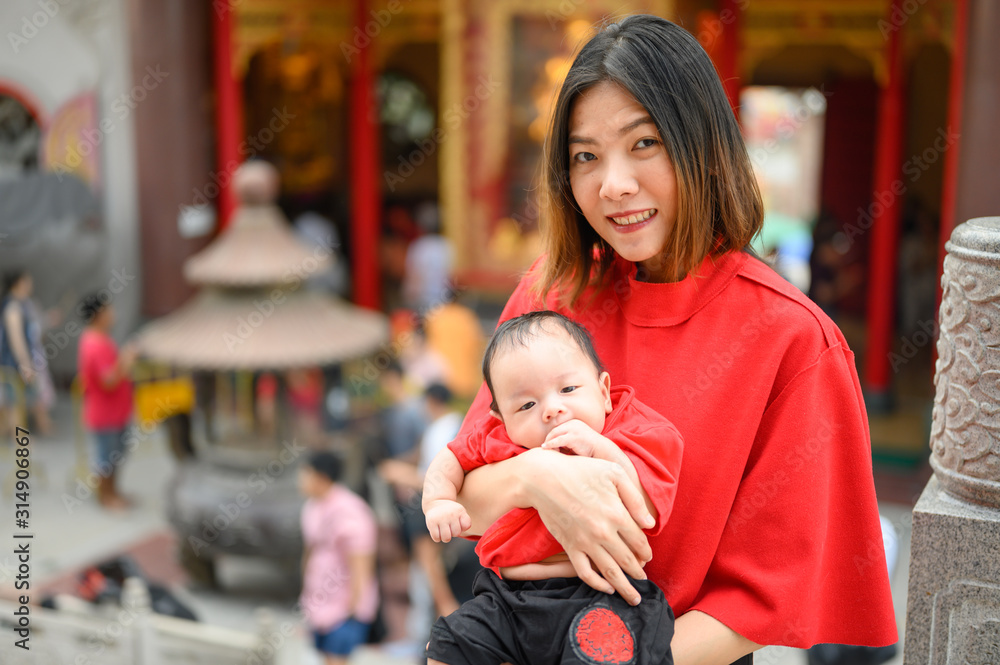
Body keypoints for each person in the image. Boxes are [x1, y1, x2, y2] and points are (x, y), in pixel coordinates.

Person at [450, 15, 897, 665]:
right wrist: (539, 477)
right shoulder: (553, 296)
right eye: (585, 156)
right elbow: (462, 494)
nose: (614, 185)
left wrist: (616, 659)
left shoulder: (794, 341)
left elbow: (760, 601)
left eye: (645, 144)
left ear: (703, 144)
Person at [423, 311, 684, 665]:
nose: (552, 409)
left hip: (601, 594)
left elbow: (646, 511)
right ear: (500, 419)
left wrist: (600, 449)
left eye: (568, 389)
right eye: (527, 405)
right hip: (506, 599)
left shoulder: (630, 431)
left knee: (606, 652)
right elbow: (449, 459)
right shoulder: (496, 439)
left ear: (604, 392)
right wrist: (438, 500)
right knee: (448, 645)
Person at [378, 382, 463, 646]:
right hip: (432, 505)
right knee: (425, 574)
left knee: (430, 567)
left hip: (439, 505)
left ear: (432, 402)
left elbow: (438, 475)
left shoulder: (446, 427)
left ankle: (445, 606)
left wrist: (401, 473)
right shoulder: (442, 426)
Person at [298, 451, 379, 665]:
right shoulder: (312, 506)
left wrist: (352, 612)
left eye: (306, 474)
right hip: (319, 605)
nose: (300, 480)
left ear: (321, 477)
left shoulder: (350, 511)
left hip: (342, 609)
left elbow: (361, 564)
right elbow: (310, 551)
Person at [77, 295, 136, 511]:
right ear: (99, 315)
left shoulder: (98, 339)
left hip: (114, 412)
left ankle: (114, 493)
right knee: (106, 458)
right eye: (109, 310)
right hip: (105, 414)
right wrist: (126, 359)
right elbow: (109, 381)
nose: (113, 314)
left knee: (115, 456)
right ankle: (106, 498)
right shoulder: (95, 344)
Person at [0, 270, 54, 435]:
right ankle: (22, 450)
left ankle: (21, 447)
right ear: (19, 283)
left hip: (18, 364)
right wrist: (25, 364)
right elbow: (17, 340)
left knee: (18, 405)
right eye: (27, 281)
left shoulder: (22, 305)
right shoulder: (13, 308)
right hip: (13, 365)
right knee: (14, 405)